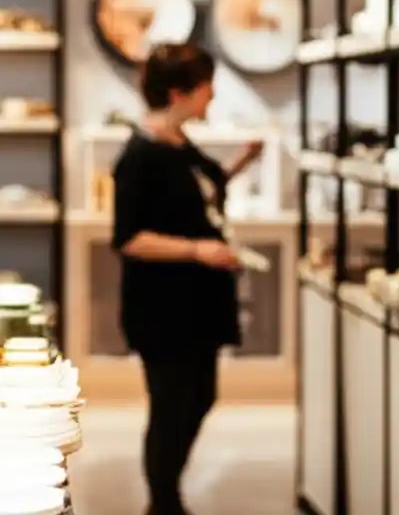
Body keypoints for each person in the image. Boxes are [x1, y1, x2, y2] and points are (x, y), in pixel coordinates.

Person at [111, 43, 262, 515]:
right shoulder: (140, 154)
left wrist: (242, 161)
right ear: (179, 93)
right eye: (206, 91)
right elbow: (129, 237)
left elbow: (205, 189)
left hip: (197, 302)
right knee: (171, 407)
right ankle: (163, 502)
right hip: (163, 306)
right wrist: (199, 250)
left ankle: (166, 495)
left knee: (200, 396)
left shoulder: (180, 143)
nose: (211, 100)